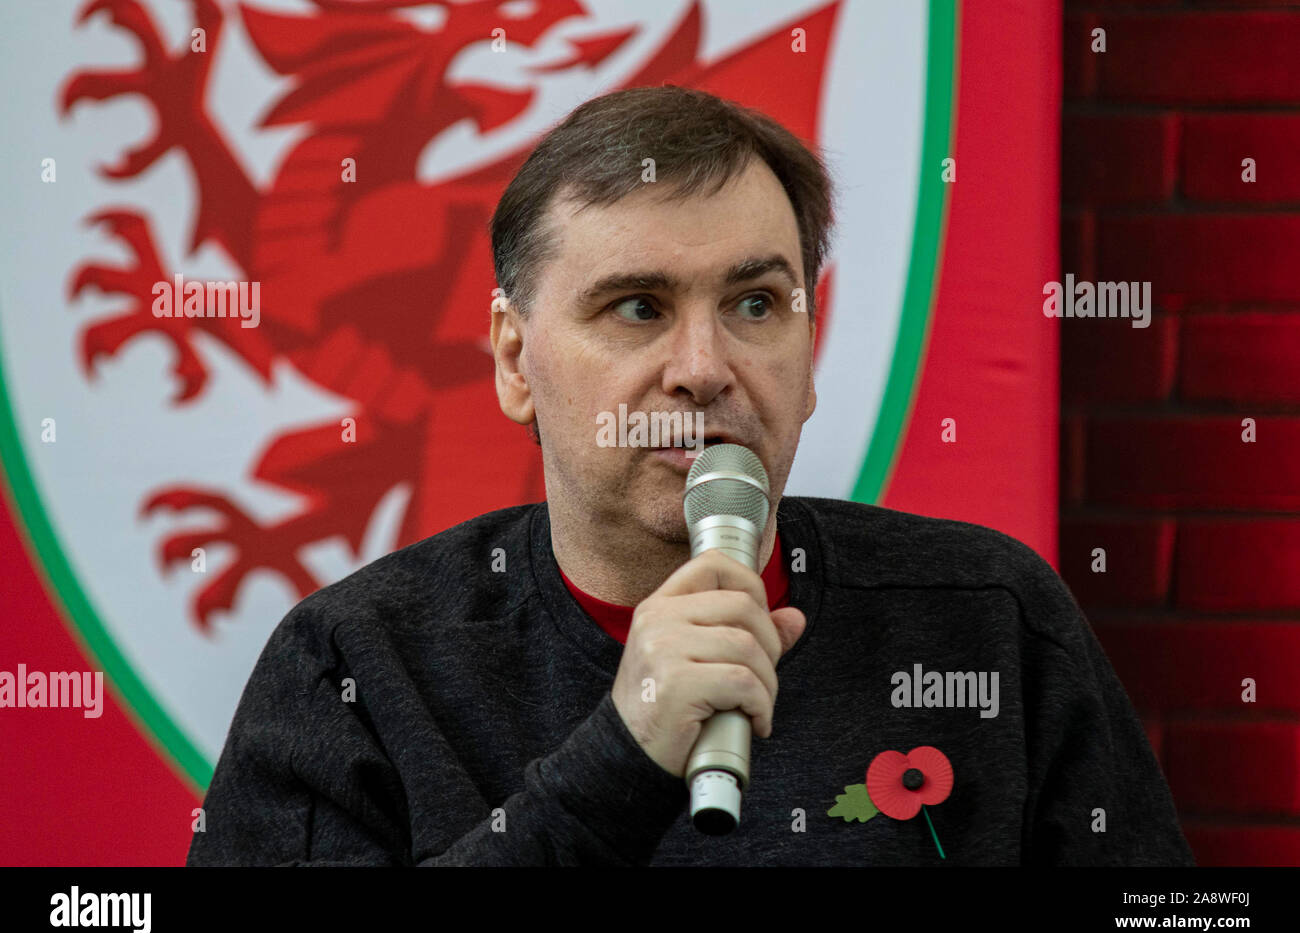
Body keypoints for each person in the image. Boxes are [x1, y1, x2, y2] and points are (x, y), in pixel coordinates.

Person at [187, 85, 1194, 866]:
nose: (706, 367)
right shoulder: (357, 666)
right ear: (512, 359)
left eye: (756, 303)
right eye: (635, 306)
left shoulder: (990, 620)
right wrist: (620, 758)